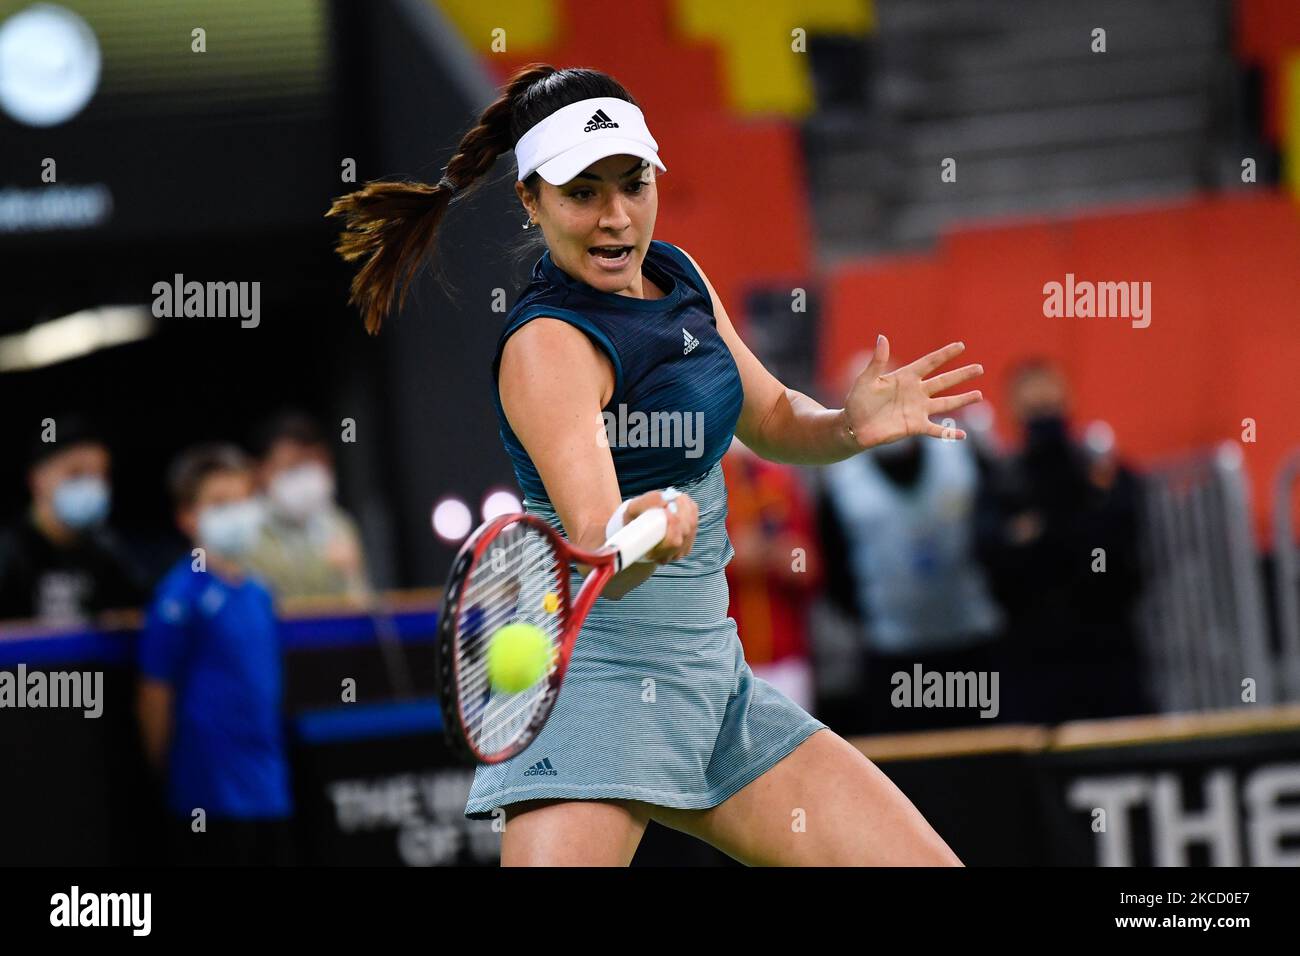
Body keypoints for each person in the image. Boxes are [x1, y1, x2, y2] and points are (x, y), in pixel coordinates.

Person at [328, 63, 984, 866]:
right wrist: (647, 528)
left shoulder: (679, 277)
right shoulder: (548, 347)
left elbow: (774, 416)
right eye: (583, 192)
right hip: (599, 693)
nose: (616, 217)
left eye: (632, 184)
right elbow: (602, 539)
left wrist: (846, 424)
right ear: (531, 199)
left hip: (715, 684)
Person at [820, 355, 1005, 734]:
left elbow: (1000, 536)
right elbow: (832, 570)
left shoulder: (960, 450)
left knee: (987, 768)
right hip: (893, 658)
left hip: (973, 645)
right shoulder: (839, 481)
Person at [136, 443, 294, 866]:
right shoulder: (178, 596)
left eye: (244, 499)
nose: (237, 512)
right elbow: (155, 694)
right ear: (187, 516)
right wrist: (165, 774)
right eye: (220, 503)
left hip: (269, 790)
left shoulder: (260, 594)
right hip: (205, 798)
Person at [975, 359, 1150, 723]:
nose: (1043, 411)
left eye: (1049, 401)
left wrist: (1039, 535)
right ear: (1013, 407)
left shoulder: (1103, 475)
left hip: (1107, 647)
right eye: (1033, 404)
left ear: (1068, 399)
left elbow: (1122, 552)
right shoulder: (1001, 483)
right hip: (1035, 658)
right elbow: (995, 559)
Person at [0, 417, 145, 625]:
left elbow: (143, 614)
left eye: (100, 475)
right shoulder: (10, 551)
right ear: (37, 478)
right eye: (75, 473)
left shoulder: (108, 550)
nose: (90, 485)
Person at [720, 437, 821, 713]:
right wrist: (730, 557)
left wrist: (784, 559)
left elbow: (810, 568)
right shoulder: (700, 487)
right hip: (722, 657)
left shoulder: (779, 480)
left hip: (784, 655)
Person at [245, 411, 370, 603]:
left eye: (312, 464)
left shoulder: (338, 524)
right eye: (292, 466)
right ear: (260, 470)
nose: (305, 478)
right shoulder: (241, 532)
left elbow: (363, 604)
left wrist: (349, 576)